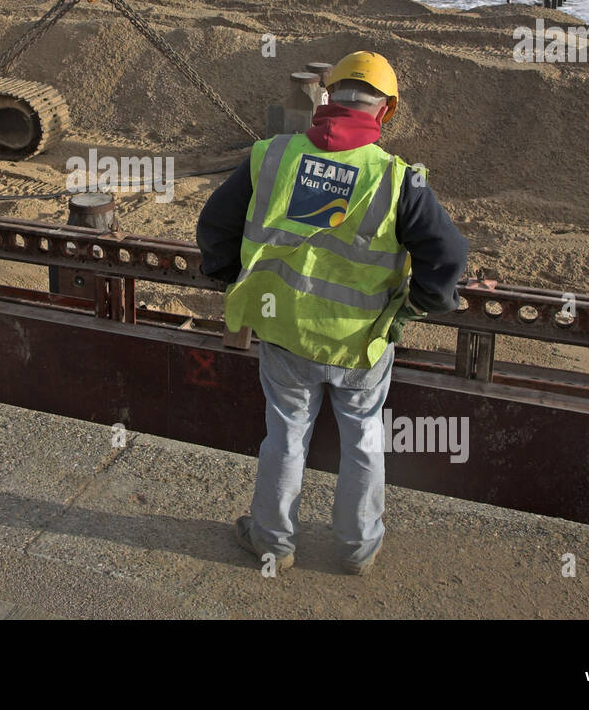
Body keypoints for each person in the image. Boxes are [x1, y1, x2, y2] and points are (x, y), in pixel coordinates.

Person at [197, 51, 468, 575]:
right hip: (361, 342)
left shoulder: (270, 156)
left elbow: (215, 225)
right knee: (365, 436)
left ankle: (274, 542)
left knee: (285, 433)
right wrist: (414, 307)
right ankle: (356, 550)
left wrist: (232, 278)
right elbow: (448, 256)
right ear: (384, 112)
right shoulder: (397, 179)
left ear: (327, 98)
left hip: (285, 331)